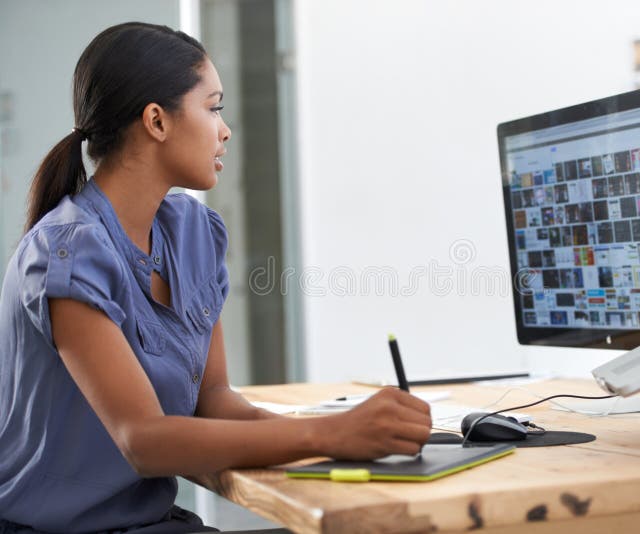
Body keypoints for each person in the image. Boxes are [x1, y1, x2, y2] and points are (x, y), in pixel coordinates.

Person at [0, 22, 431, 533]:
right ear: (157, 121)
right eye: (213, 107)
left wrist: (350, 438)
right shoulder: (68, 253)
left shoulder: (192, 232)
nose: (225, 130)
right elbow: (143, 440)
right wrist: (332, 436)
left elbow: (215, 401)